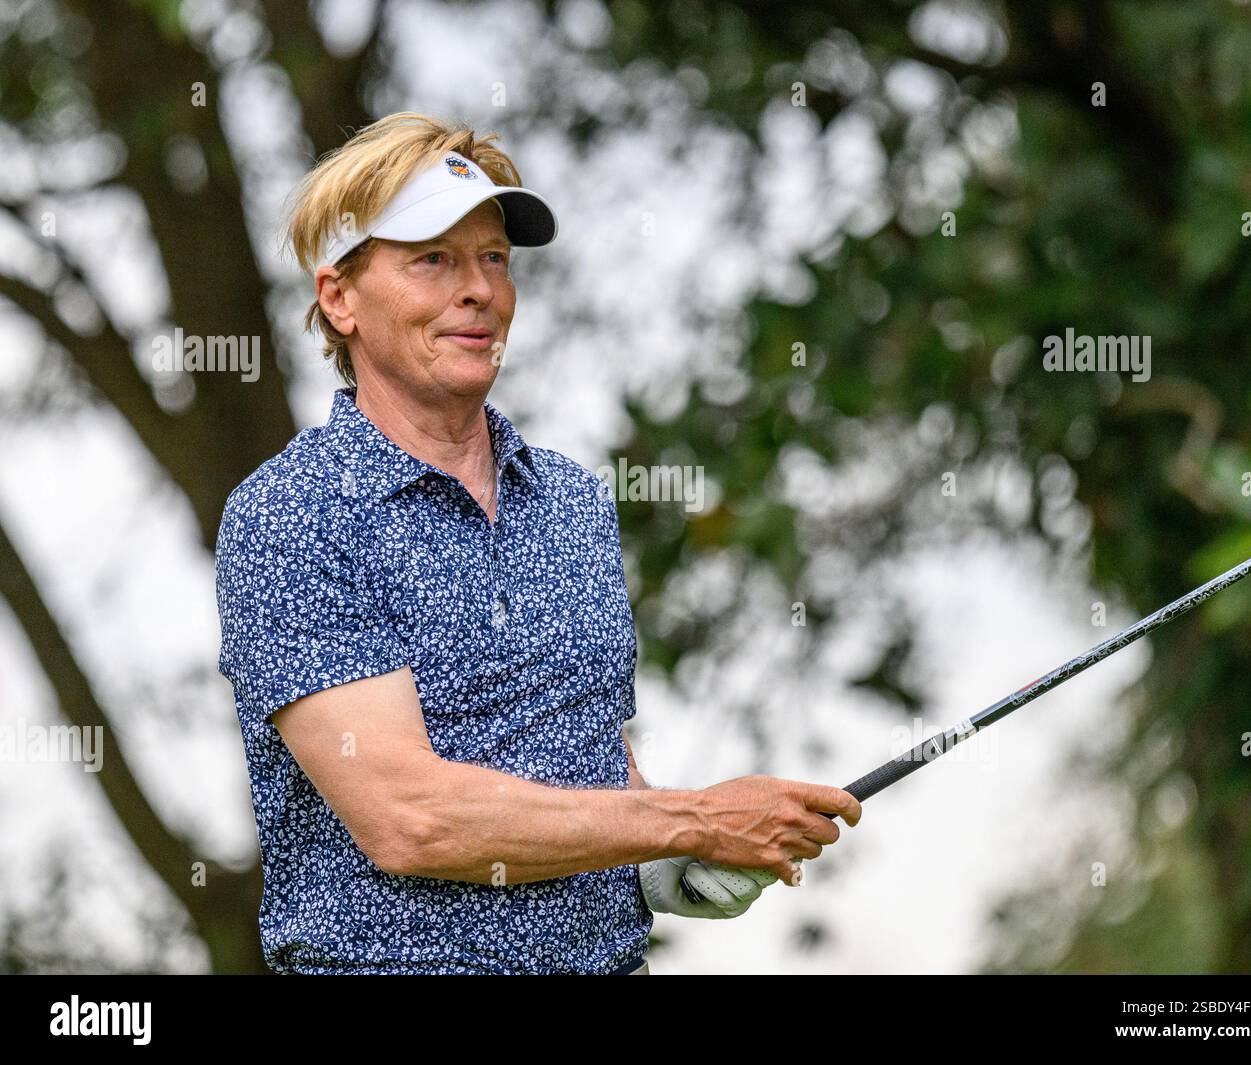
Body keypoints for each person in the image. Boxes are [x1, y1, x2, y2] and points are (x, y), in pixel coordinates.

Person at [214, 112, 860, 975]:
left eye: (494, 258)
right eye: (433, 259)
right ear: (340, 297)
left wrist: (667, 859)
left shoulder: (572, 502)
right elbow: (411, 818)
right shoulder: (292, 514)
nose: (479, 288)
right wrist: (694, 819)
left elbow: (584, 750)